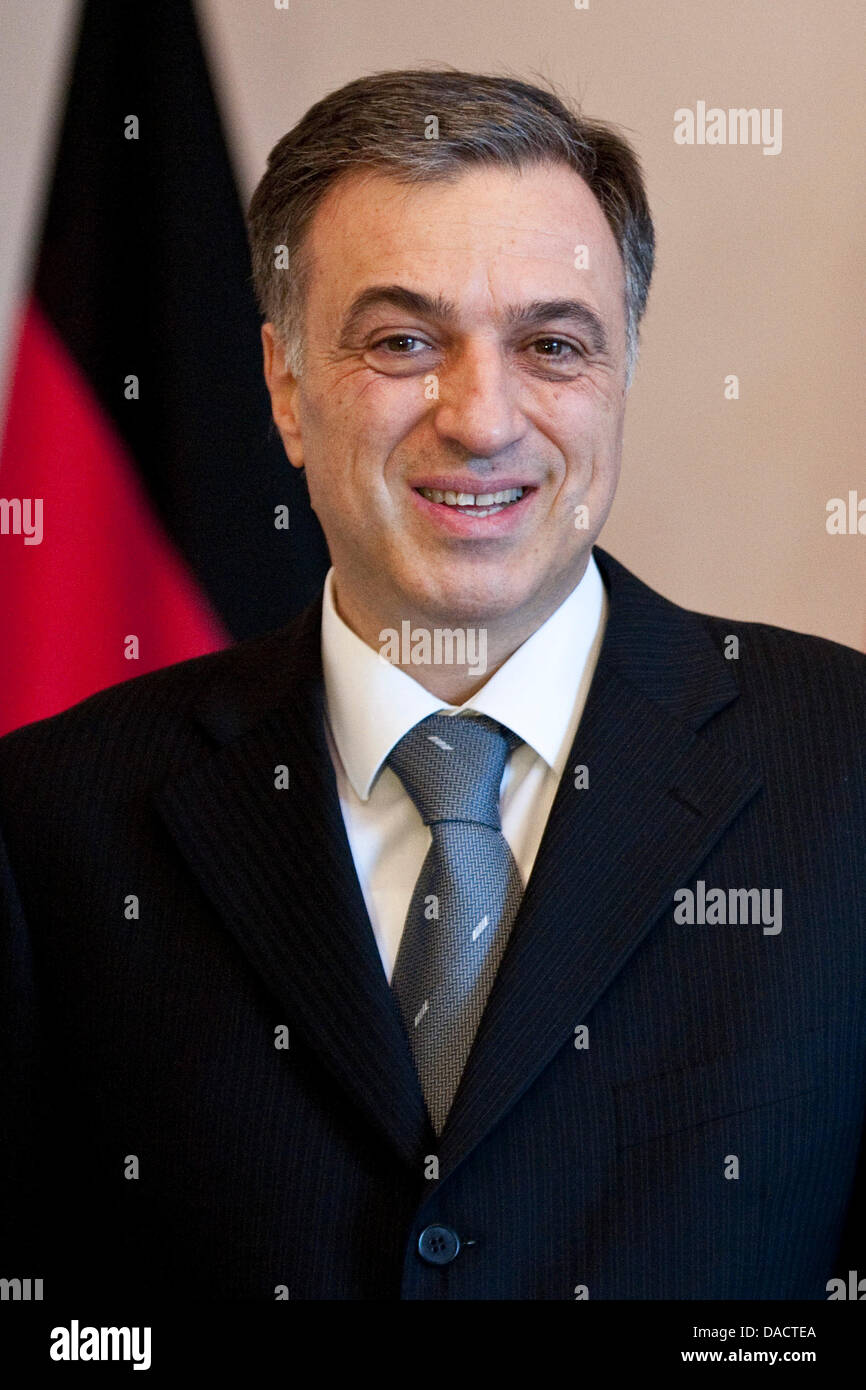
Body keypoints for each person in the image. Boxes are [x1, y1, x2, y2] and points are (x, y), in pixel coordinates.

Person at [1, 68, 863, 1302]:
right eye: (402, 340)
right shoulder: (51, 819)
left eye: (551, 345)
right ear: (287, 388)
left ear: (620, 377)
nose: (480, 417)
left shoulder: (843, 770)